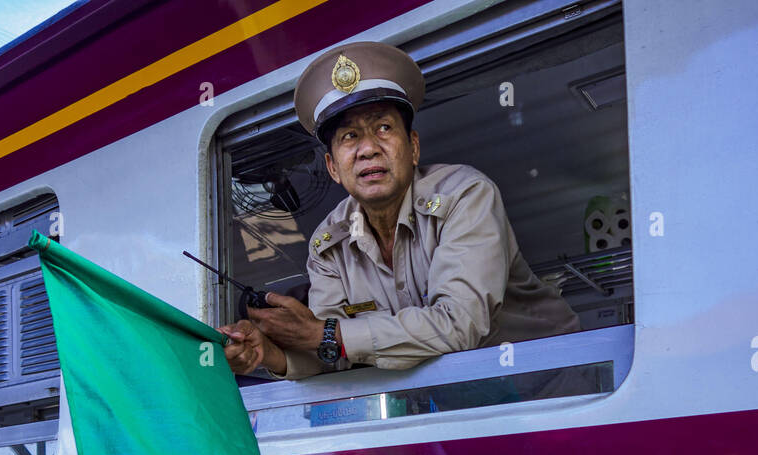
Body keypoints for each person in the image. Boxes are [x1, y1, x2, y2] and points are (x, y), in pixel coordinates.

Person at [219, 41, 581, 380]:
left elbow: (461, 323)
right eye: (349, 137)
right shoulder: (328, 244)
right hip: (462, 394)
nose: (368, 149)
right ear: (332, 167)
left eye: (383, 128)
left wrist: (326, 332)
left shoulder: (464, 194)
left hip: (558, 376)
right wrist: (268, 353)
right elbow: (332, 348)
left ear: (413, 148)